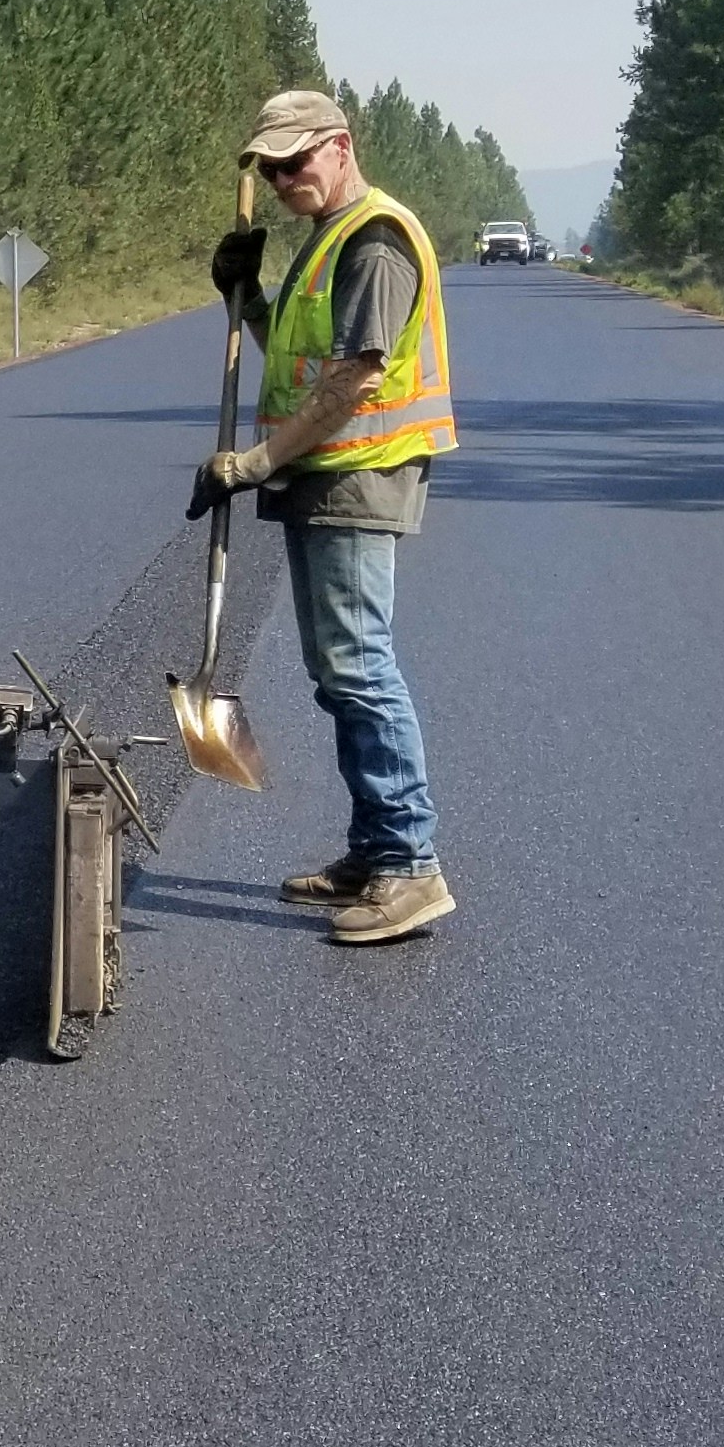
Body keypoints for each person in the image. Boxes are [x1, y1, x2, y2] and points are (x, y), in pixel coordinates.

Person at [192, 89, 460, 946]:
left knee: (360, 669)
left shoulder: (375, 243)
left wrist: (254, 463)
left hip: (358, 477)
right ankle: (375, 852)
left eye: (295, 161)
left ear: (341, 146)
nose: (281, 179)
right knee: (338, 671)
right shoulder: (328, 241)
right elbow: (311, 365)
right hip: (328, 479)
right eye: (269, 168)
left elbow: (352, 387)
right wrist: (255, 302)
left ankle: (411, 866)